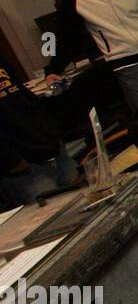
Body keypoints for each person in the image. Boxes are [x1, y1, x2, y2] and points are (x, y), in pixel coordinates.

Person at [0, 56, 78, 208]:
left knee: (85, 203)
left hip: (51, 147)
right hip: (24, 167)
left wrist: (51, 130)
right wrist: (11, 160)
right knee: (56, 217)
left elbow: (26, 98)